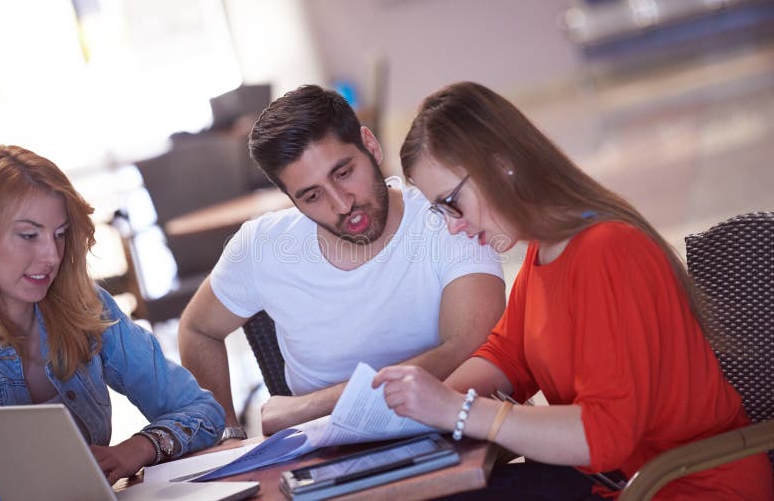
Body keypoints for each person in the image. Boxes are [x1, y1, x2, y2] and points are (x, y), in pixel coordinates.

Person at [372, 82, 774, 500]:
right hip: (627, 480)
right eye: (440, 212)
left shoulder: (609, 251)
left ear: (501, 165)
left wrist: (457, 410)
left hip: (687, 487)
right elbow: (508, 357)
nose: (453, 226)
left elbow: (603, 435)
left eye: (452, 202)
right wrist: (419, 408)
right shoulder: (546, 250)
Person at [178, 84, 506, 436]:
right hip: (322, 456)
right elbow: (198, 329)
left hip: (451, 434)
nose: (342, 204)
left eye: (344, 173)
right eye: (312, 195)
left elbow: (471, 349)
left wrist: (305, 408)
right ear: (291, 199)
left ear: (370, 145)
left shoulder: (447, 217)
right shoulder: (262, 246)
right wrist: (226, 433)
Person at [0, 145, 225, 498]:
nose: (51, 256)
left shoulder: (84, 307)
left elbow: (203, 411)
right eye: (29, 235)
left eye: (60, 234)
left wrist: (138, 448)